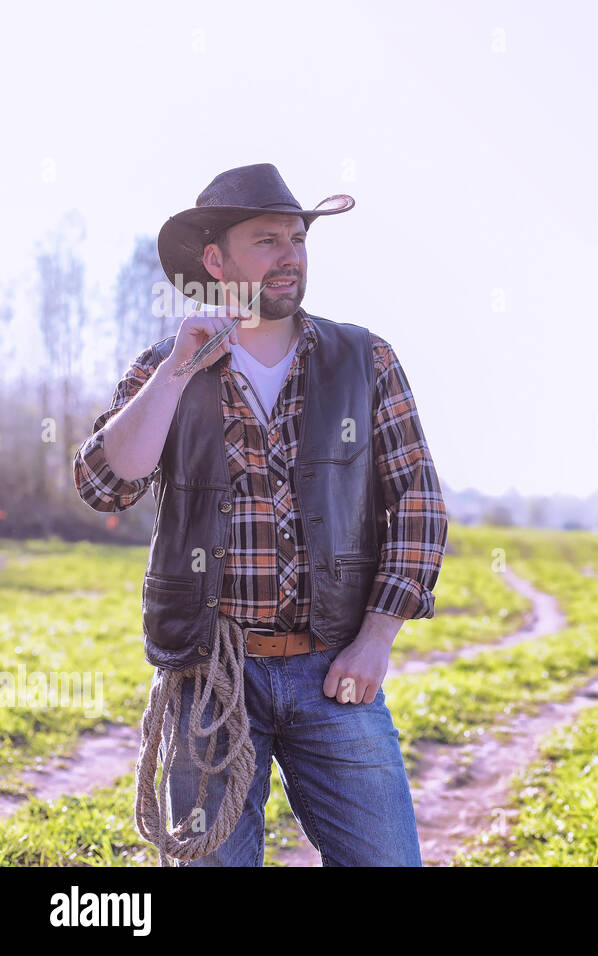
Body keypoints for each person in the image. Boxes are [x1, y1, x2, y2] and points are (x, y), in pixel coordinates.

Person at [71, 163, 448, 866]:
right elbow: (102, 487)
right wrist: (174, 372)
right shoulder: (166, 365)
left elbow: (421, 504)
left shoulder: (365, 359)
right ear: (217, 261)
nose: (290, 255)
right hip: (210, 677)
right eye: (267, 240)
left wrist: (377, 640)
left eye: (298, 239)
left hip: (333, 670)